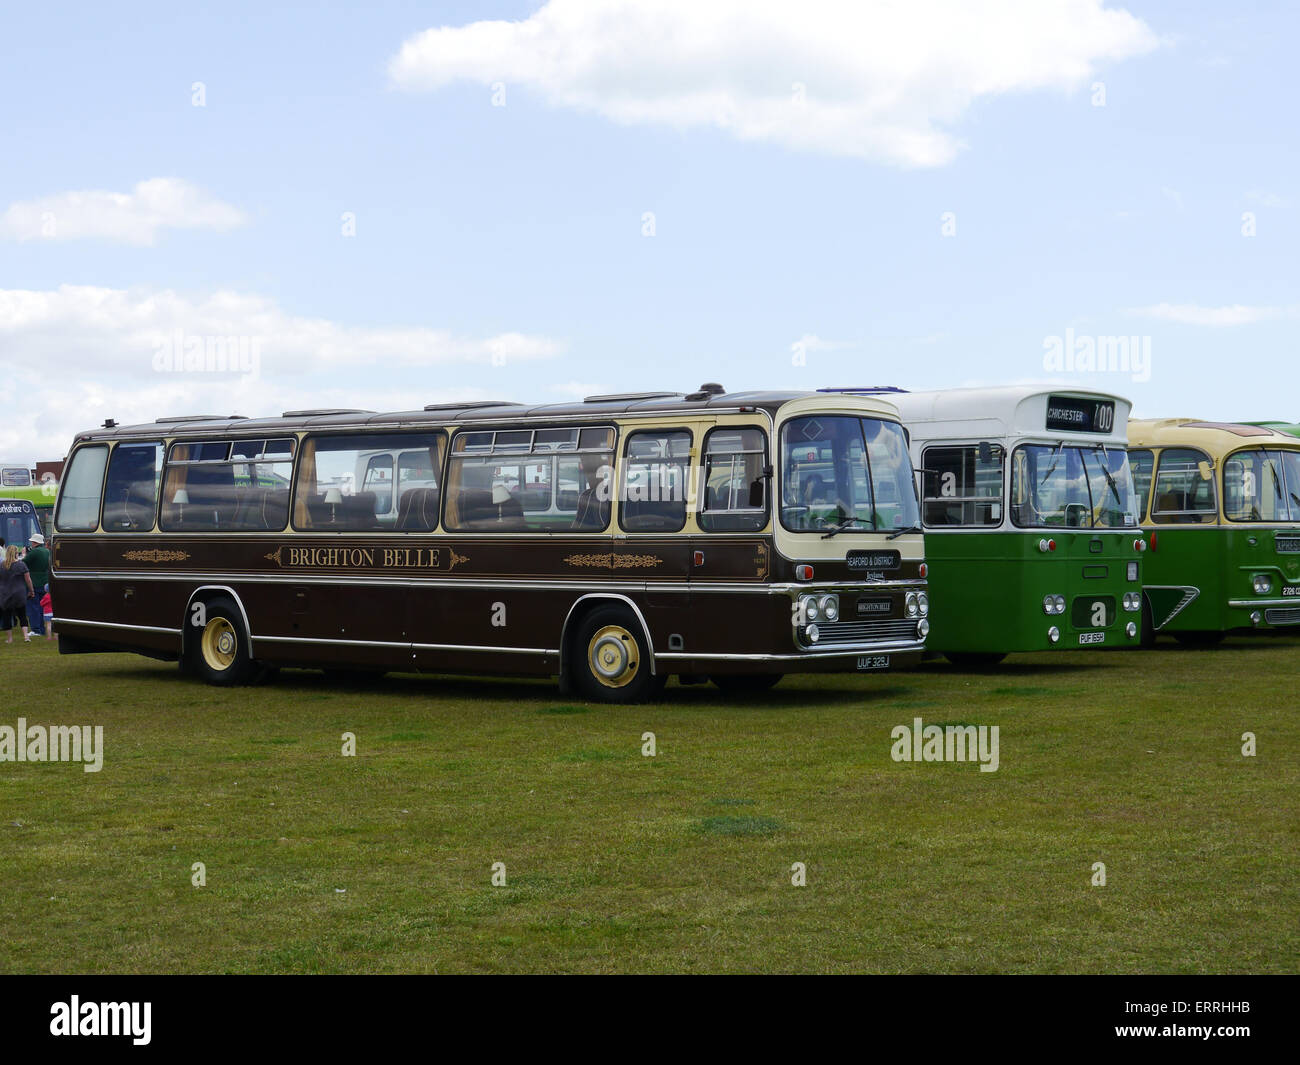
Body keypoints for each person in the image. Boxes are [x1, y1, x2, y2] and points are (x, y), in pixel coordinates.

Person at [1, 543, 34, 644]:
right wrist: (31, 591)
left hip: (5, 594)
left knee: (6, 616)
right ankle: (26, 637)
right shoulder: (21, 564)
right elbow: (28, 579)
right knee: (22, 615)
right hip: (19, 593)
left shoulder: (2, 565)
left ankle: (10, 639)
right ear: (16, 553)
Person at [24, 532, 50, 637]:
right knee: (41, 607)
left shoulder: (34, 552)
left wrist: (25, 554)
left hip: (34, 581)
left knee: (33, 607)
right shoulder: (47, 551)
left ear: (35, 542)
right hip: (44, 581)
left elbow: (24, 563)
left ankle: (36, 629)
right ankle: (42, 628)